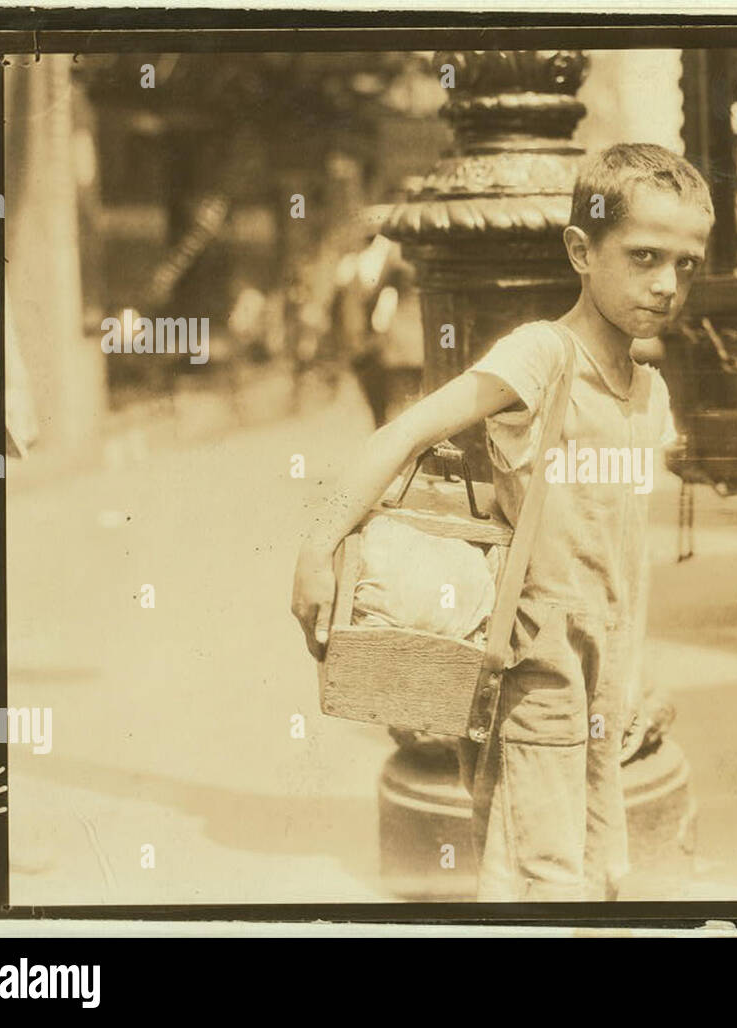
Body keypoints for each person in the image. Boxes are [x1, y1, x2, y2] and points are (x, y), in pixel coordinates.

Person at [291, 143, 715, 901]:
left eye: (687, 264)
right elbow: (403, 433)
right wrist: (316, 549)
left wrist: (631, 668)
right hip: (535, 664)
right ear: (581, 251)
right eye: (645, 256)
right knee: (542, 877)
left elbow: (621, 550)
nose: (666, 283)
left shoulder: (648, 390)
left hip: (605, 674)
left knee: (591, 865)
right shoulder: (542, 355)